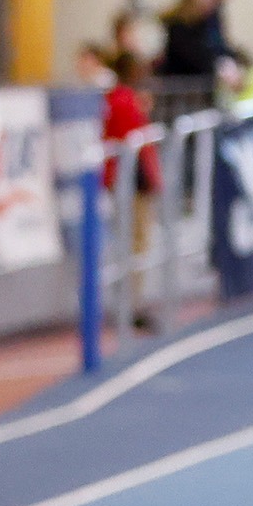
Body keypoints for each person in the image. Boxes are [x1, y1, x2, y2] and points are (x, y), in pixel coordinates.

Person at [102, 52, 162, 329]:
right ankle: (131, 305)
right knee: (135, 241)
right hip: (131, 180)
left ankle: (131, 302)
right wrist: (153, 178)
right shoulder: (124, 100)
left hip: (126, 178)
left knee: (133, 241)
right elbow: (135, 142)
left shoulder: (118, 98)